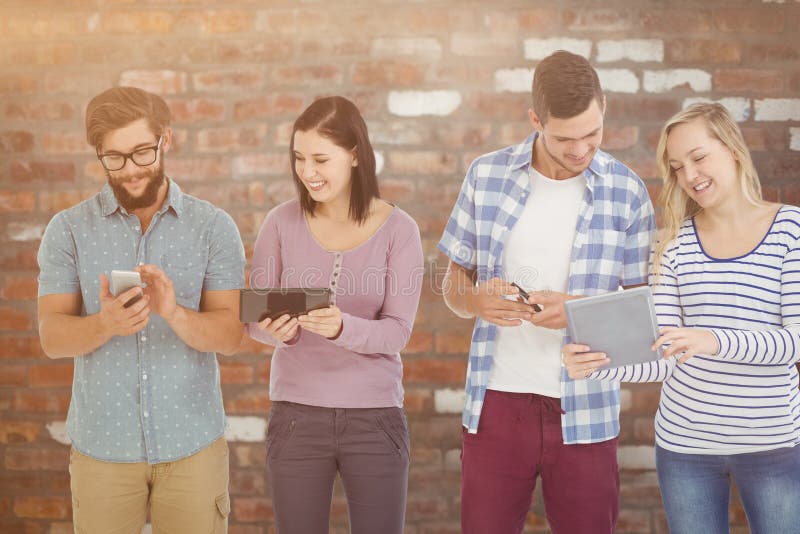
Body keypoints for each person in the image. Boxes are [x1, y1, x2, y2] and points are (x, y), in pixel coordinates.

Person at [437, 50, 656, 534]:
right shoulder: (486, 176)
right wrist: (475, 301)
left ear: (604, 107)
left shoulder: (628, 192)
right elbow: (451, 283)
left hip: (587, 408)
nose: (581, 150)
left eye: (592, 134)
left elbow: (644, 317)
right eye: (564, 138)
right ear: (535, 119)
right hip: (497, 403)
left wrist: (576, 311)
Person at [563, 102, 800, 534]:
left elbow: (795, 342)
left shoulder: (790, 230)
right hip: (686, 447)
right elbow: (666, 354)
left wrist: (714, 340)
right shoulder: (672, 244)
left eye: (698, 157)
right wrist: (596, 366)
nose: (689, 175)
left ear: (732, 148)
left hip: (772, 445)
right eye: (676, 167)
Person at [37, 86, 245, 533]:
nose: (130, 170)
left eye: (142, 153)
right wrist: (104, 324)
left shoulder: (213, 227)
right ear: (99, 154)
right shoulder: (68, 231)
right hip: (102, 450)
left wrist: (174, 312)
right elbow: (51, 337)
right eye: (114, 157)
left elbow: (230, 336)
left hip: (193, 447)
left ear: (165, 139)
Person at [244, 96, 423, 534]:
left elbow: (397, 332)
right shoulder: (279, 223)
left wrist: (343, 327)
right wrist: (278, 333)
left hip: (375, 418)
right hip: (296, 418)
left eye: (321, 159)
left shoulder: (400, 230)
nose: (308, 172)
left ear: (355, 155)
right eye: (299, 158)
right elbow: (253, 320)